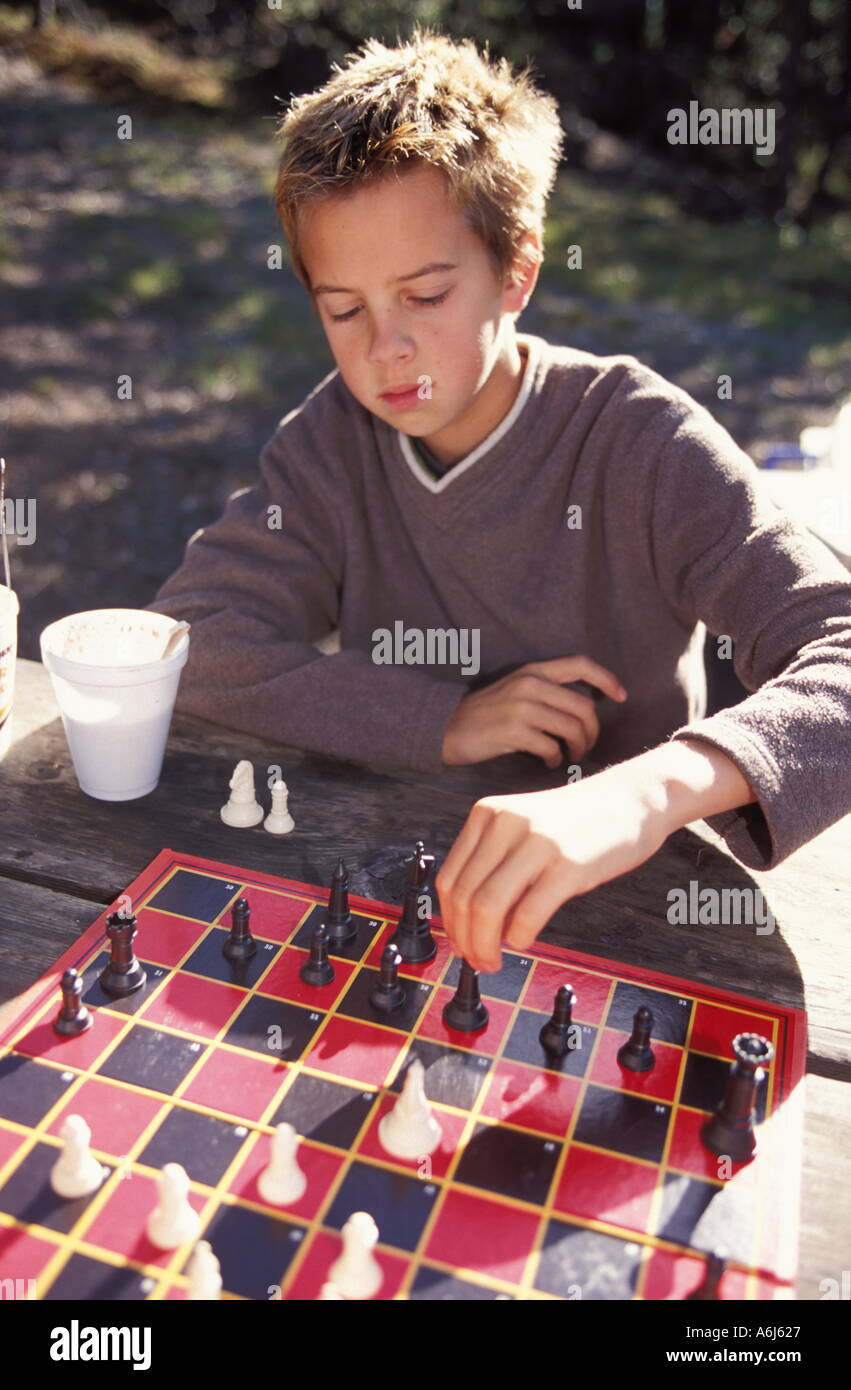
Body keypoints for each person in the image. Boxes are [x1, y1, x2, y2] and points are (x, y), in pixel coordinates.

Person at [147, 29, 851, 972]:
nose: (383, 349)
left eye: (426, 295)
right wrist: (444, 717)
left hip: (636, 913)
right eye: (343, 309)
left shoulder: (641, 440)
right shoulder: (329, 446)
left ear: (516, 270)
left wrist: (641, 793)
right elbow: (188, 642)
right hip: (399, 890)